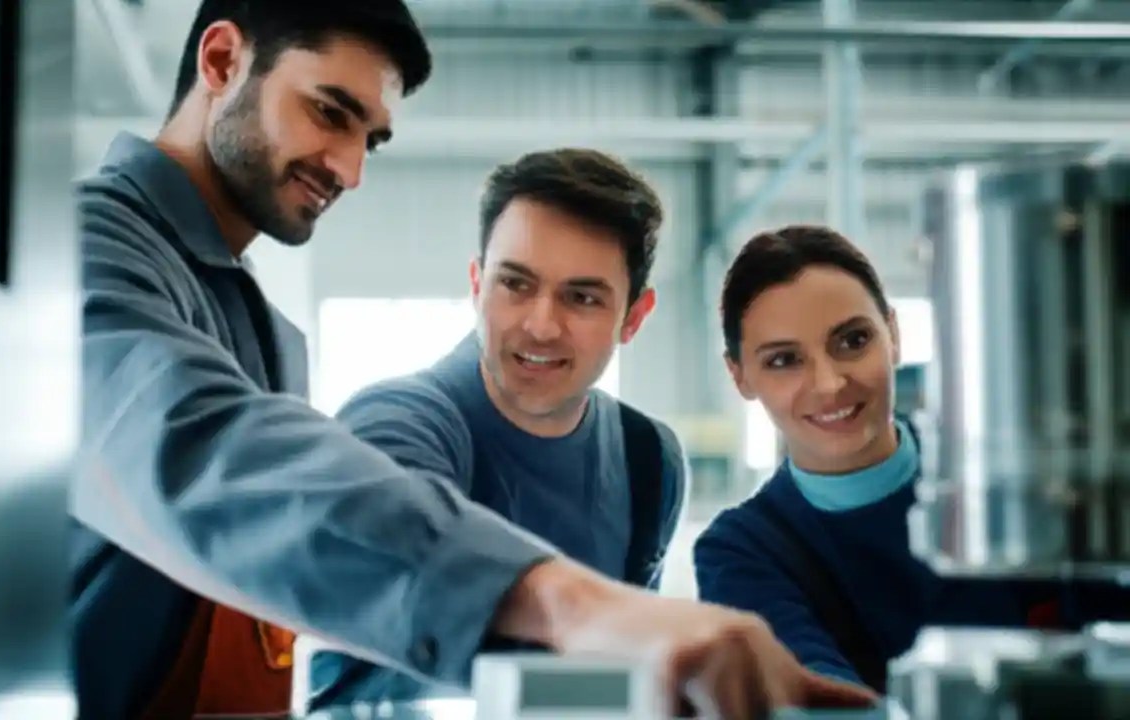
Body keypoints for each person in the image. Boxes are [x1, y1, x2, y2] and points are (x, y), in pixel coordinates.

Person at [70, 1, 879, 717]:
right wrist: (575, 608)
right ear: (221, 61)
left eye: (369, 139)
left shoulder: (263, 328)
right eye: (329, 111)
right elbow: (207, 452)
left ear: (634, 318)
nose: (349, 170)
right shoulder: (77, 252)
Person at [307, 148, 689, 709]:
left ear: (633, 317)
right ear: (476, 283)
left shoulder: (648, 459)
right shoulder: (394, 422)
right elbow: (415, 561)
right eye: (516, 284)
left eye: (581, 297)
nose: (540, 325)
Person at [692, 225, 1130, 692]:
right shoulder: (741, 553)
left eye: (853, 341)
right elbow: (813, 702)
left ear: (893, 335)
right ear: (739, 376)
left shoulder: (1012, 477)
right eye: (783, 360)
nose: (829, 384)